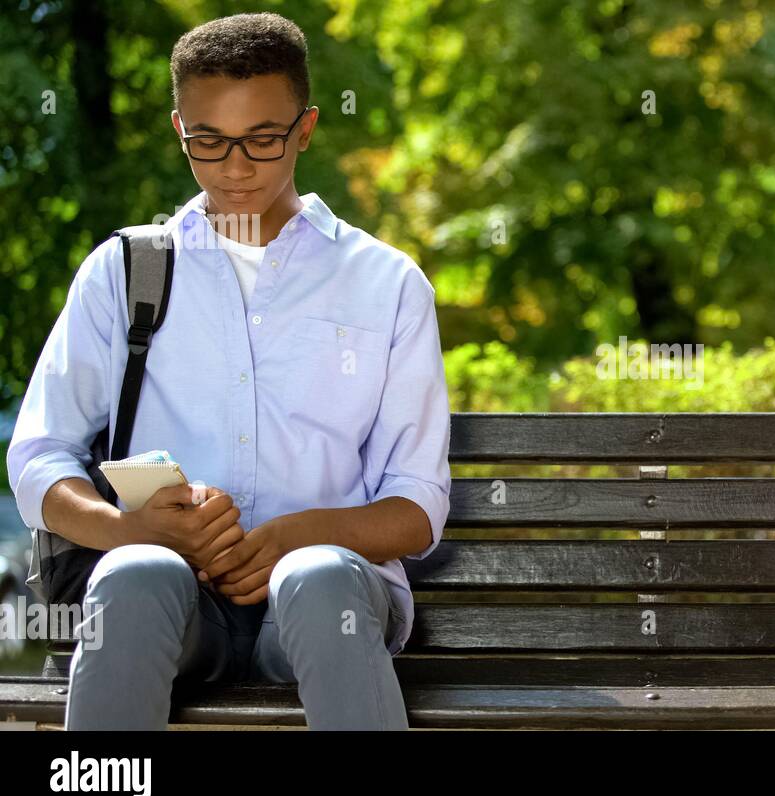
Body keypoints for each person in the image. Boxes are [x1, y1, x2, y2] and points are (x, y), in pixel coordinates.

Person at [5, 12, 451, 730]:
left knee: (320, 575)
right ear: (180, 130)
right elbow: (36, 457)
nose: (235, 168)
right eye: (209, 142)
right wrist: (131, 527)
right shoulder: (124, 272)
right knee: (134, 573)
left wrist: (293, 535)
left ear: (305, 129)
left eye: (262, 140)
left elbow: (418, 506)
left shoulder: (387, 284)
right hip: (171, 608)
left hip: (327, 603)